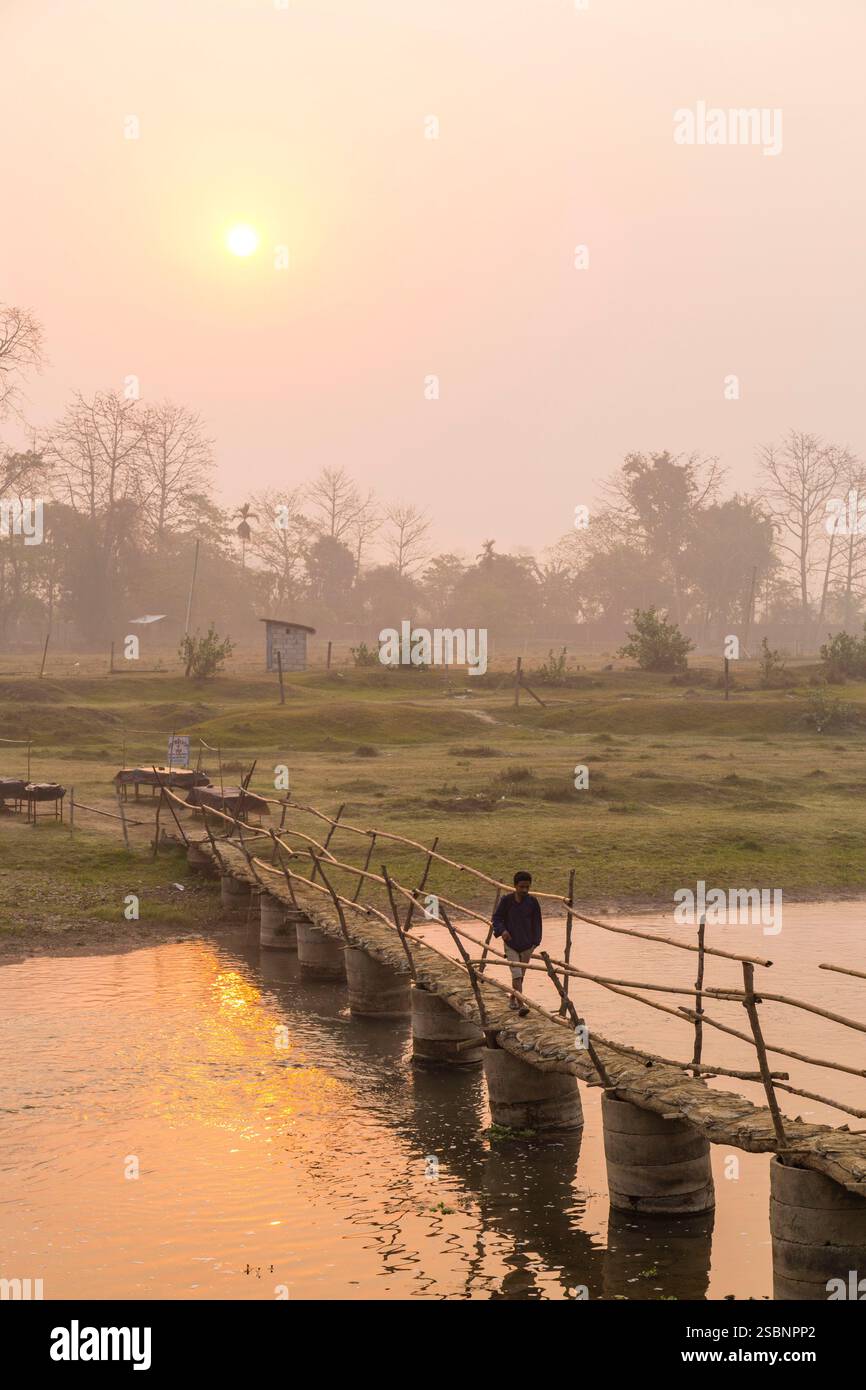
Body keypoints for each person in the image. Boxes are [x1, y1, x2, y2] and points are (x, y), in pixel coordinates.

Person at [492, 871, 542, 1015]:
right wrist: (502, 931)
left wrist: (535, 943)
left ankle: (513, 998)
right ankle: (522, 1004)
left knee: (520, 976)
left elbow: (537, 923)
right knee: (517, 975)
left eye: (527, 887)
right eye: (521, 887)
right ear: (515, 886)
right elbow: (497, 918)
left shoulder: (532, 902)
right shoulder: (506, 901)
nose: (525, 890)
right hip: (511, 944)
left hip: (527, 945)